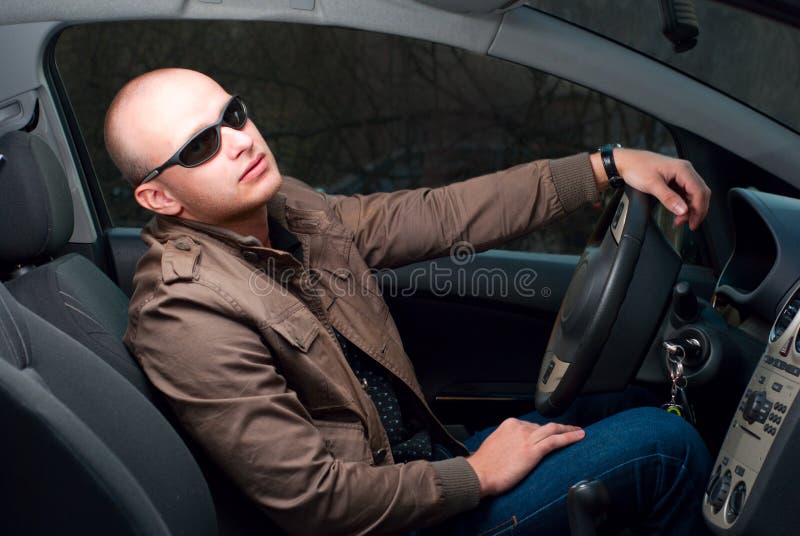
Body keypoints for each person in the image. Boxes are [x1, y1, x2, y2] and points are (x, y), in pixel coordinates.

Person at [107, 68, 713, 535]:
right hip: (398, 522)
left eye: (234, 115)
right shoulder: (183, 312)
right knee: (669, 447)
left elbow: (440, 215)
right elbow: (317, 503)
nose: (240, 141)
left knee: (628, 397)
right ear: (160, 198)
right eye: (200, 147)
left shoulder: (286, 207)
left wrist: (606, 166)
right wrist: (477, 474)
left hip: (424, 466)